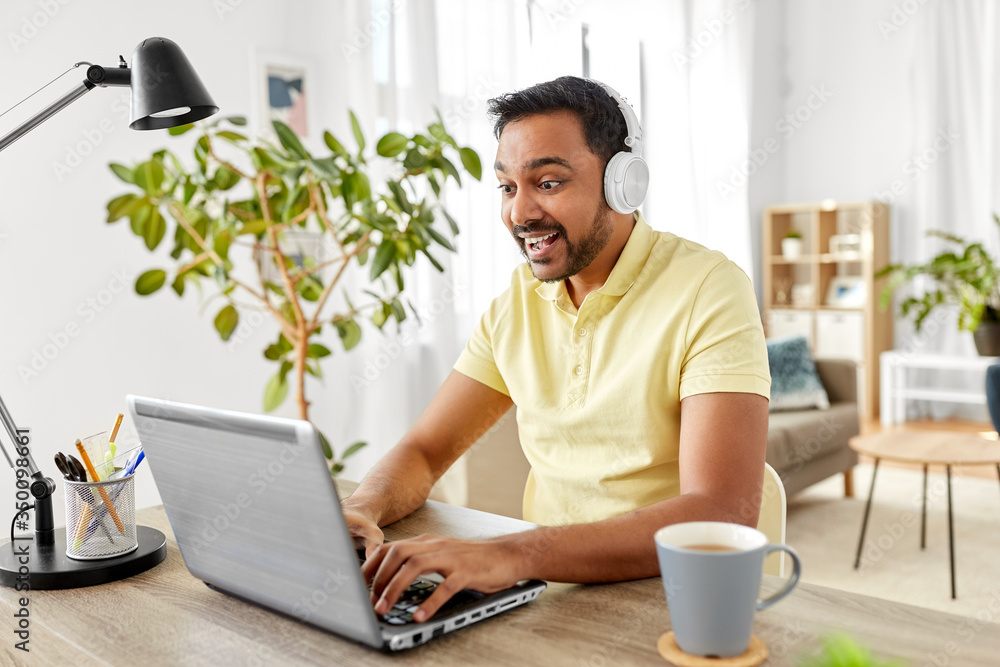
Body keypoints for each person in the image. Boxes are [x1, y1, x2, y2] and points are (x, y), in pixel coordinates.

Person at [342, 76, 770, 623]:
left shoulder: (709, 288)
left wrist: (510, 554)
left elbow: (723, 512)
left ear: (623, 183)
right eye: (506, 187)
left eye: (547, 182)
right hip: (542, 598)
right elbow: (426, 451)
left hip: (668, 597)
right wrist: (361, 508)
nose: (520, 214)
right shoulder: (515, 305)